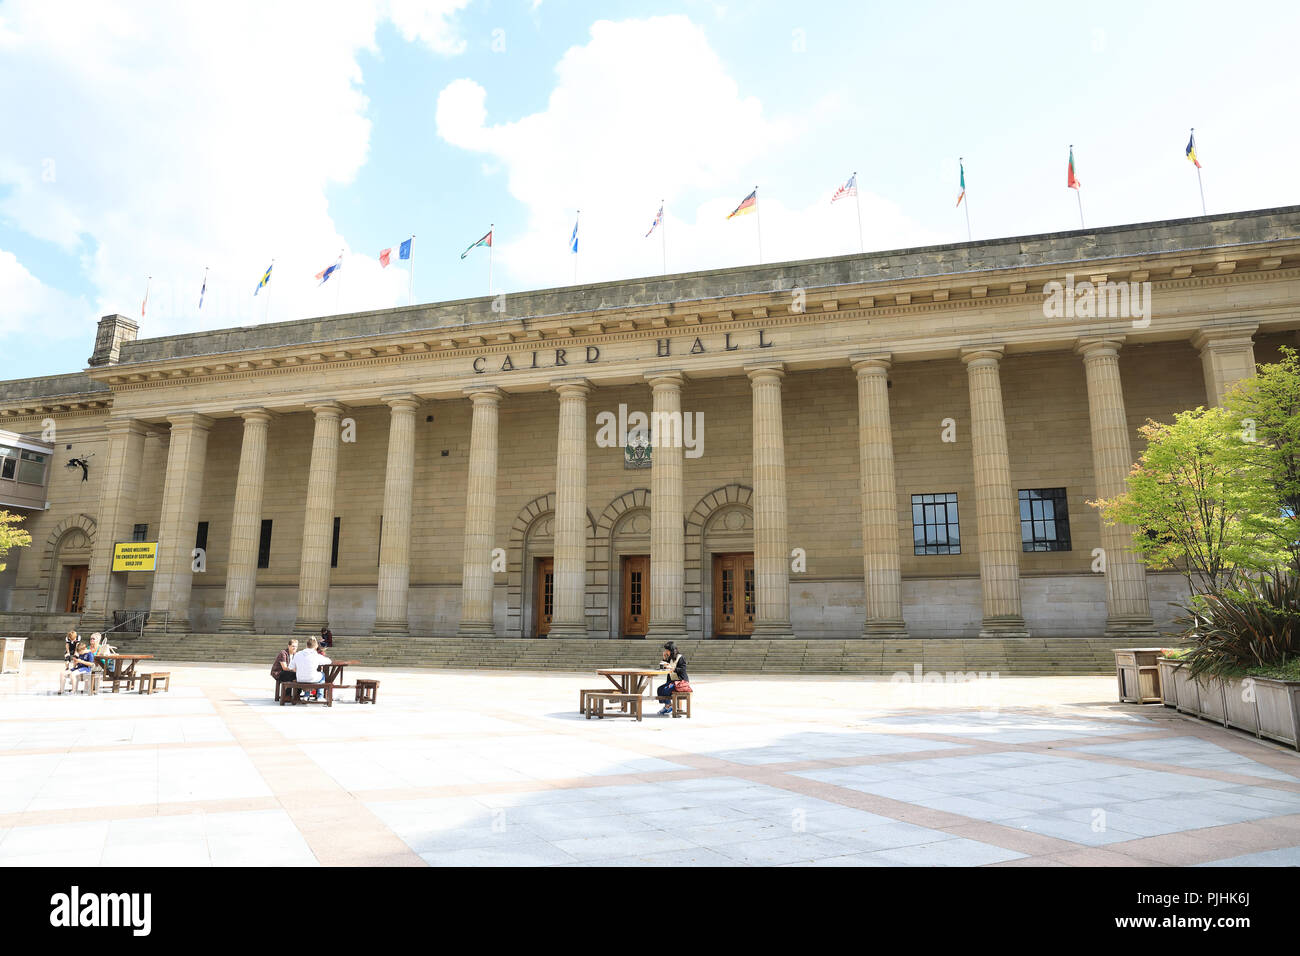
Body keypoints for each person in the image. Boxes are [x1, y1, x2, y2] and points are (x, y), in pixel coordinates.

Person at [655, 641, 689, 716]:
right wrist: (664, 659)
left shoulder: (680, 657)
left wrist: (673, 668)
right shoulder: (670, 658)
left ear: (672, 650)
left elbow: (683, 669)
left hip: (681, 682)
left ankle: (668, 706)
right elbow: (665, 666)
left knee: (666, 689)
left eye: (667, 650)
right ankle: (668, 705)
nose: (666, 652)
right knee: (660, 689)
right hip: (673, 681)